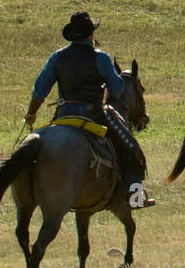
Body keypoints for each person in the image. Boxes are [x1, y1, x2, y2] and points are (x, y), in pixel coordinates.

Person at [24, 12, 153, 208]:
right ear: (91, 34)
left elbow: (39, 90)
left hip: (63, 116)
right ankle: (136, 198)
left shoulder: (58, 57)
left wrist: (31, 113)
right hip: (94, 116)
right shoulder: (100, 58)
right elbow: (117, 89)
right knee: (132, 149)